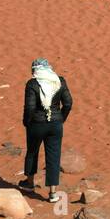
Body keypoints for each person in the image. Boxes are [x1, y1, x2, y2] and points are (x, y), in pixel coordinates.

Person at [21, 58, 73, 202]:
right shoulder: (59, 81)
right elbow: (68, 103)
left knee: (32, 152)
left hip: (37, 124)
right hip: (55, 125)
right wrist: (61, 118)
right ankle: (53, 193)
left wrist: (26, 122)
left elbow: (30, 107)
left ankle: (30, 183)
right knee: (54, 156)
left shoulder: (32, 84)